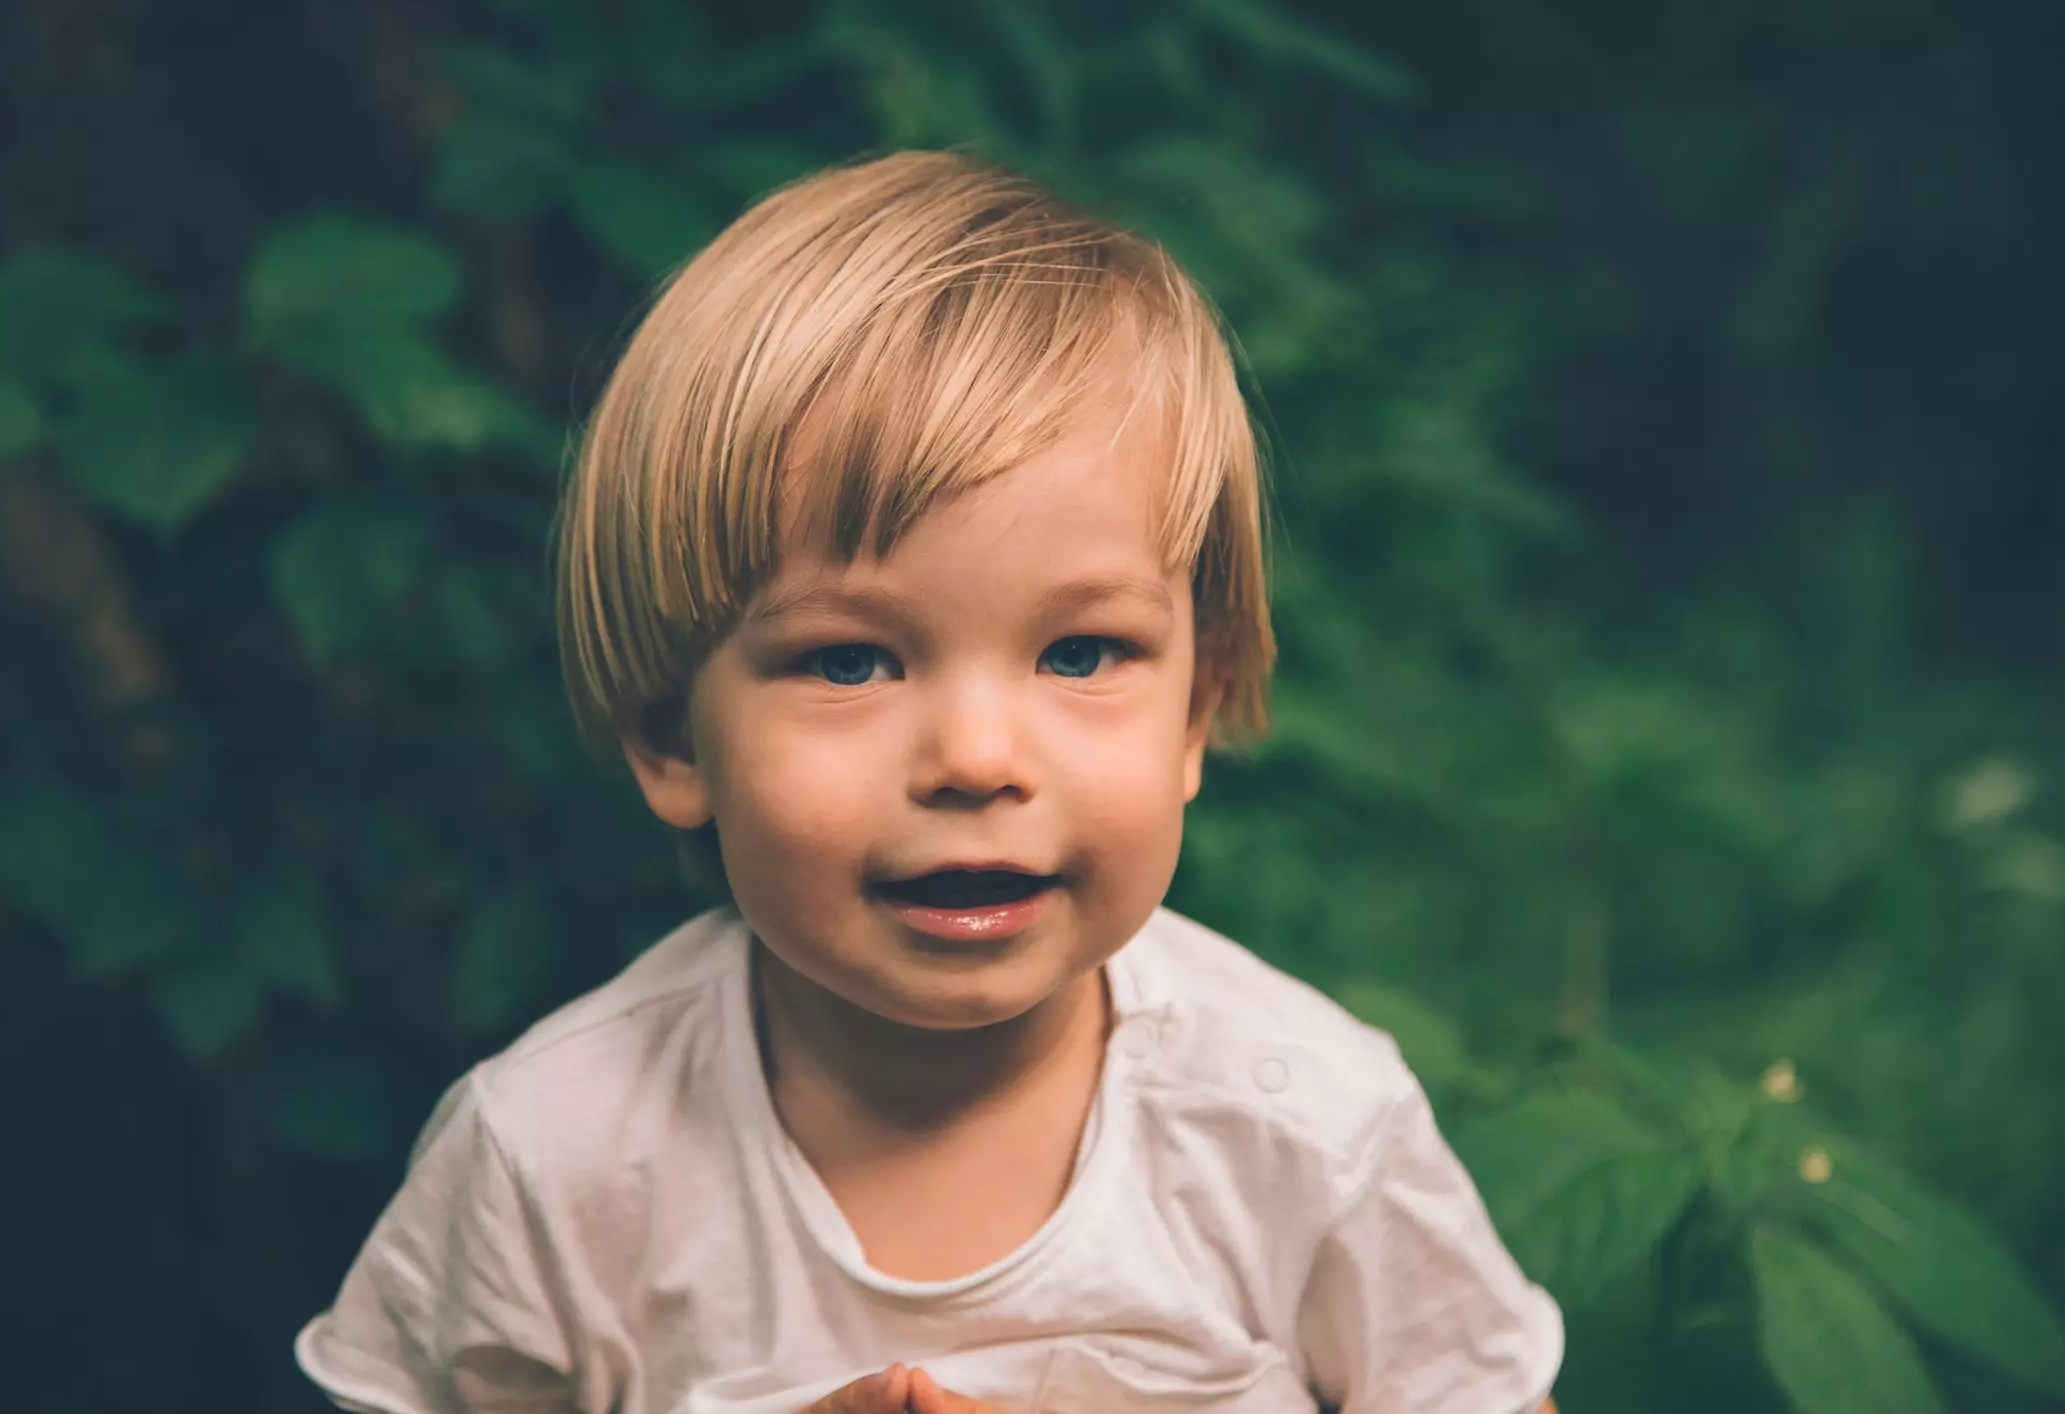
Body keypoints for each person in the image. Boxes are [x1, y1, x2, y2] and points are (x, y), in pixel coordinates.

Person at [295, 149, 1564, 1414]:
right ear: (673, 738)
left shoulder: (1301, 1128)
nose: (975, 758)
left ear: (1199, 705)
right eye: (850, 659)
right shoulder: (557, 1163)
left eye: (1080, 652)